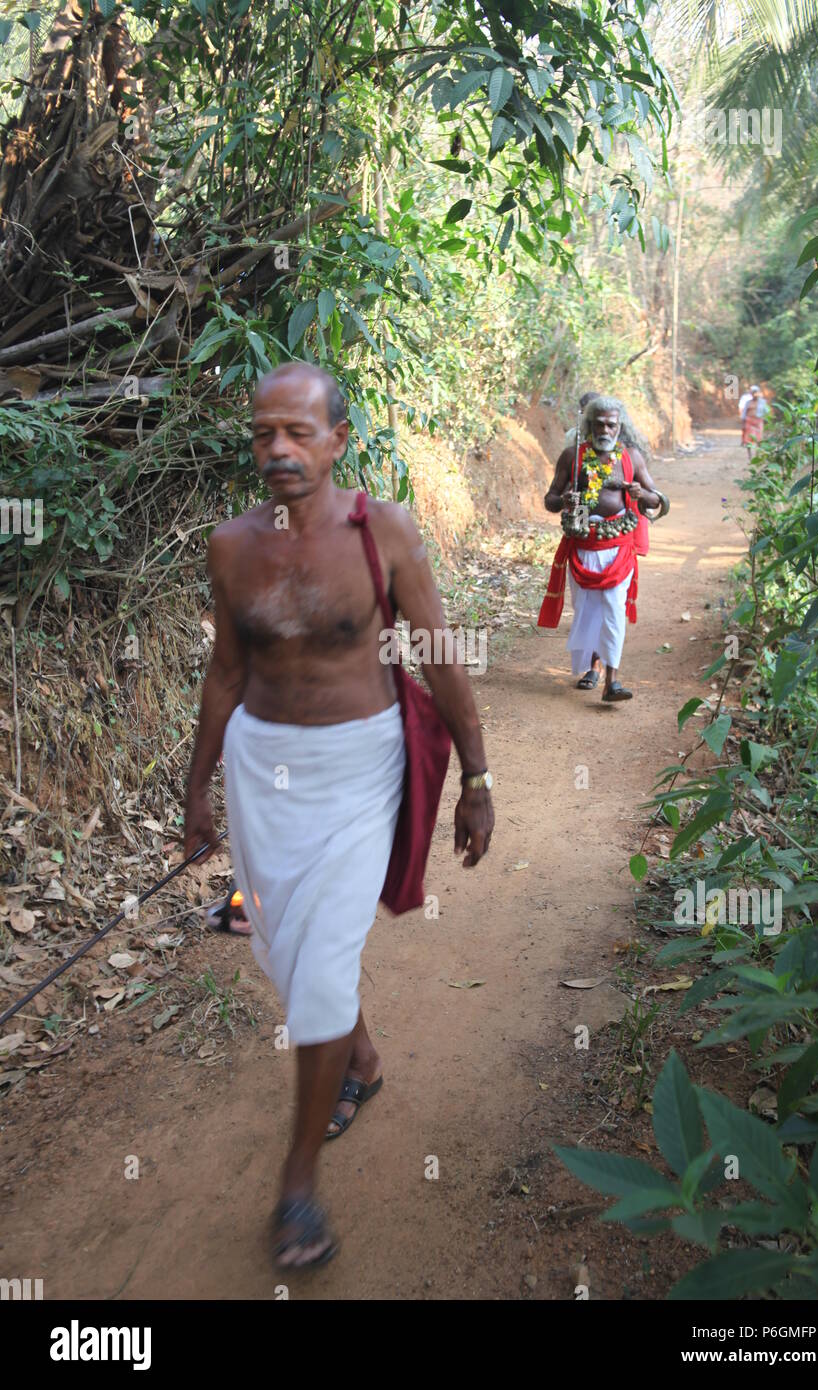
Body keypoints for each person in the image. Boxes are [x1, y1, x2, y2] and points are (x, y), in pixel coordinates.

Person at [184, 362, 494, 1269]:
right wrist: (196, 788)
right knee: (283, 950)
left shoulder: (383, 533)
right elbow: (226, 675)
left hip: (361, 772)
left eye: (298, 432)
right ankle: (358, 1056)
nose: (278, 449)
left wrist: (477, 779)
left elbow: (438, 657)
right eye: (263, 434)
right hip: (259, 770)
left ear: (337, 440)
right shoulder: (231, 546)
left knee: (318, 963)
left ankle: (296, 1189)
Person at [538, 394, 665, 701]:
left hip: (618, 546)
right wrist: (564, 501)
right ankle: (592, 668)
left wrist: (641, 493)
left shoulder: (631, 458)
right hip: (582, 545)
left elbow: (657, 499)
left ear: (619, 427)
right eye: (599, 425)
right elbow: (550, 499)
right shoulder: (573, 457)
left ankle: (612, 681)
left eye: (611, 425)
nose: (605, 431)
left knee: (613, 610)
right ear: (589, 425)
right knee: (587, 610)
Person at [739, 383, 767, 447]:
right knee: (749, 438)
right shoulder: (747, 402)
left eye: (756, 392)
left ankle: (758, 454)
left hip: (758, 421)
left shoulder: (763, 402)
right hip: (749, 421)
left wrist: (765, 419)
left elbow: (766, 412)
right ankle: (749, 455)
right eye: (753, 393)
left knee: (759, 438)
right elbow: (744, 412)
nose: (754, 394)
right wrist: (743, 421)